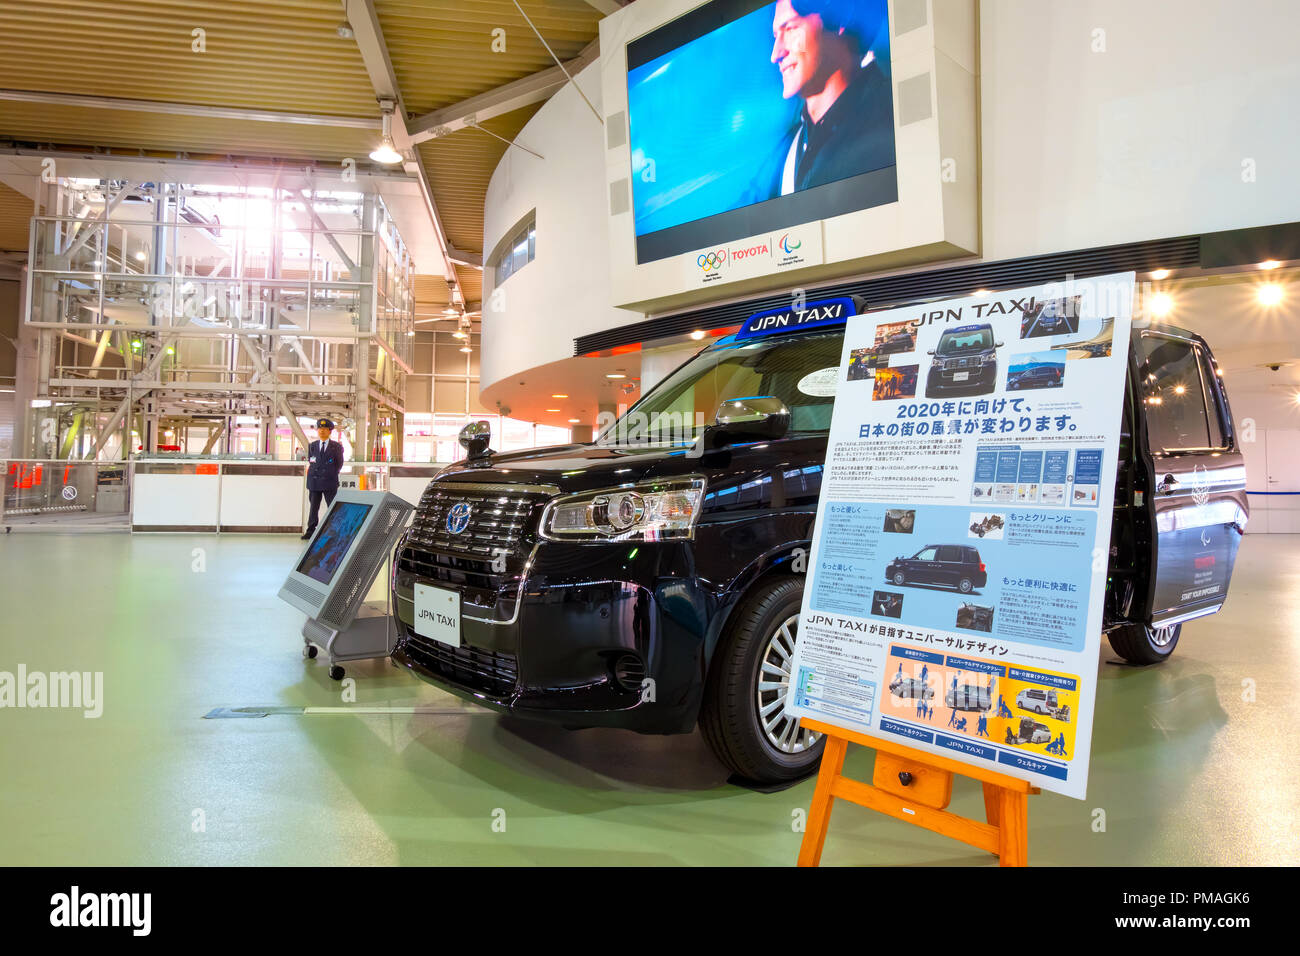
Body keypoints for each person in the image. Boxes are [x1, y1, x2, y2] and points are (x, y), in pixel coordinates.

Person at [746, 0, 896, 203]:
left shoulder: (891, 117)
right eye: (776, 36)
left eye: (790, 28)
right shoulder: (782, 155)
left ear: (840, 20)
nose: (776, 54)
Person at [302, 418, 345, 539]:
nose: (322, 431)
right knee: (313, 507)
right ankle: (311, 530)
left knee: (332, 507)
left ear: (330, 431)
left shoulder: (336, 447)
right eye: (320, 429)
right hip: (314, 481)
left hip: (329, 481)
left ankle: (335, 531)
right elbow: (312, 461)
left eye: (325, 429)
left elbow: (339, 464)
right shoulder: (312, 446)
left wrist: (330, 473)